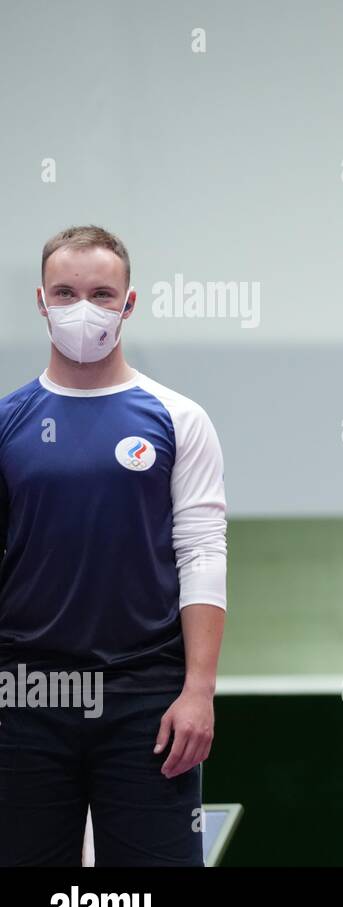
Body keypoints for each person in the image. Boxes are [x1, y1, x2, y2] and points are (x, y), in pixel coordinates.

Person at [0, 225, 228, 866]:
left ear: (129, 304)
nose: (82, 308)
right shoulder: (7, 423)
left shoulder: (178, 418)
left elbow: (203, 552)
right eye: (65, 292)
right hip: (24, 697)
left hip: (146, 699)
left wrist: (200, 690)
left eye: (102, 293)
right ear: (41, 301)